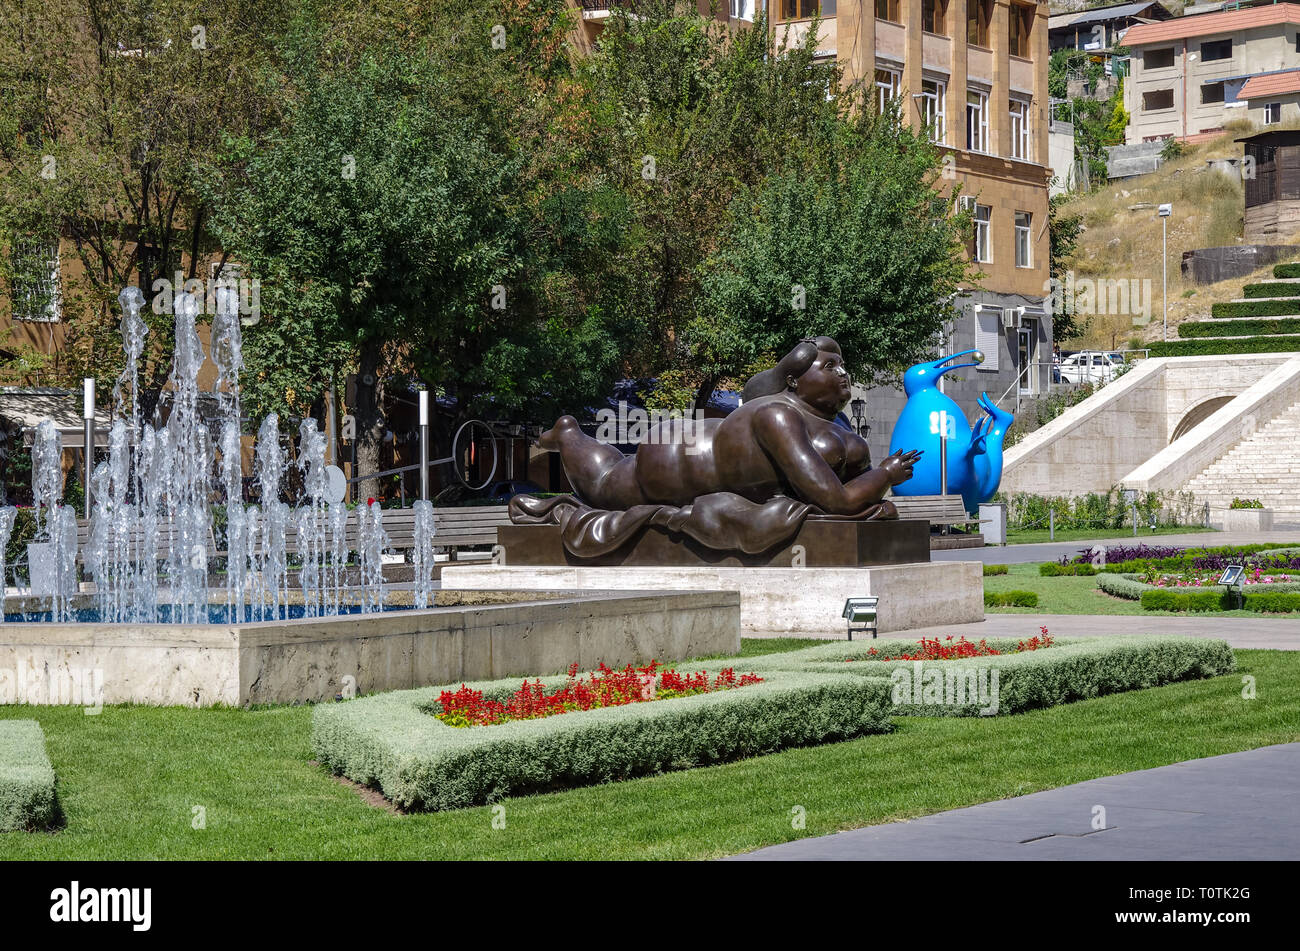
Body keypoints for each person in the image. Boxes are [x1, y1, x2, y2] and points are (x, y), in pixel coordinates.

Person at [518, 337, 923, 554]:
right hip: (672, 462)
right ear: (795, 382)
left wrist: (876, 478)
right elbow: (835, 501)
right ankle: (568, 432)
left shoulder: (837, 429)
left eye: (843, 366)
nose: (843, 373)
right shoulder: (777, 415)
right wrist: (885, 474)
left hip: (700, 445)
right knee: (607, 483)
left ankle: (569, 434)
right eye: (829, 367)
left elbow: (844, 497)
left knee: (611, 473)